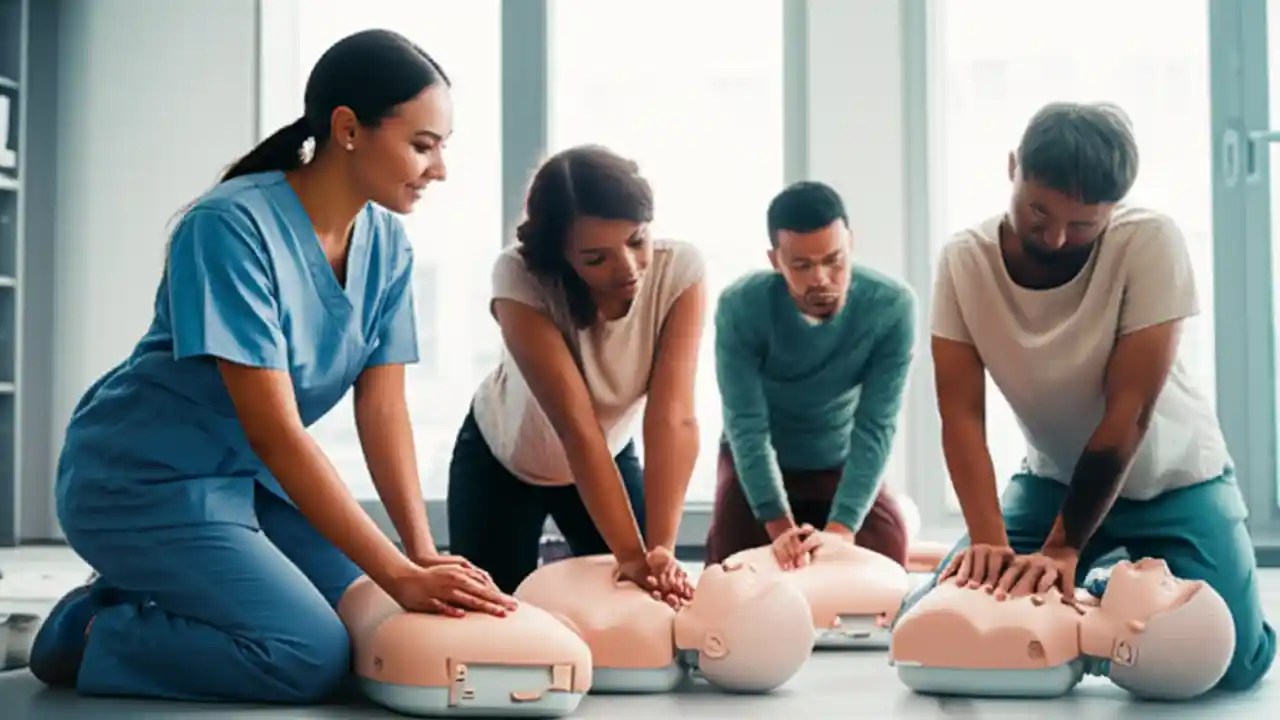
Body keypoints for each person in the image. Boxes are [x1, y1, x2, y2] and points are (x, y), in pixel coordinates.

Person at [28, 29, 515, 704]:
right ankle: (89, 633)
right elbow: (277, 432)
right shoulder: (228, 226)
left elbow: (382, 409)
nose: (439, 170)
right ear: (348, 129)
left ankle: (160, 585)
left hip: (247, 483)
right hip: (142, 480)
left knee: (366, 616)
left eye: (443, 148)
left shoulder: (388, 246)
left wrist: (418, 552)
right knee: (305, 655)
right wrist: (400, 573)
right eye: (423, 145)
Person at [912, 101, 1275, 690]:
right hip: (1054, 480)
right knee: (935, 627)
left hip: (1176, 481)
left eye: (1082, 225)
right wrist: (988, 542)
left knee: (1226, 662)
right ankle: (1104, 586)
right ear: (1012, 169)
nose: (1055, 237)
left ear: (1113, 210)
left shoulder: (1148, 241)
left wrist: (1062, 549)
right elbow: (960, 415)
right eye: (1038, 211)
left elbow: (1128, 416)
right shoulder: (963, 261)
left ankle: (1103, 578)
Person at [447, 145, 707, 604]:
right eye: (595, 258)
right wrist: (630, 555)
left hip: (607, 452)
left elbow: (673, 417)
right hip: (505, 459)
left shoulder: (679, 271)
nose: (627, 268)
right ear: (560, 254)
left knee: (649, 599)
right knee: (491, 614)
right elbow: (576, 428)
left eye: (636, 240)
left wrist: (659, 549)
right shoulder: (519, 275)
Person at [702, 181, 915, 569]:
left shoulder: (892, 307)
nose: (821, 277)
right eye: (802, 265)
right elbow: (746, 425)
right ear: (775, 260)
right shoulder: (741, 307)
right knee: (734, 559)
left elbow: (876, 425)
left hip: (836, 454)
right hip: (756, 458)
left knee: (887, 546)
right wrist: (780, 529)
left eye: (835, 259)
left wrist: (841, 531)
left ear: (850, 242)